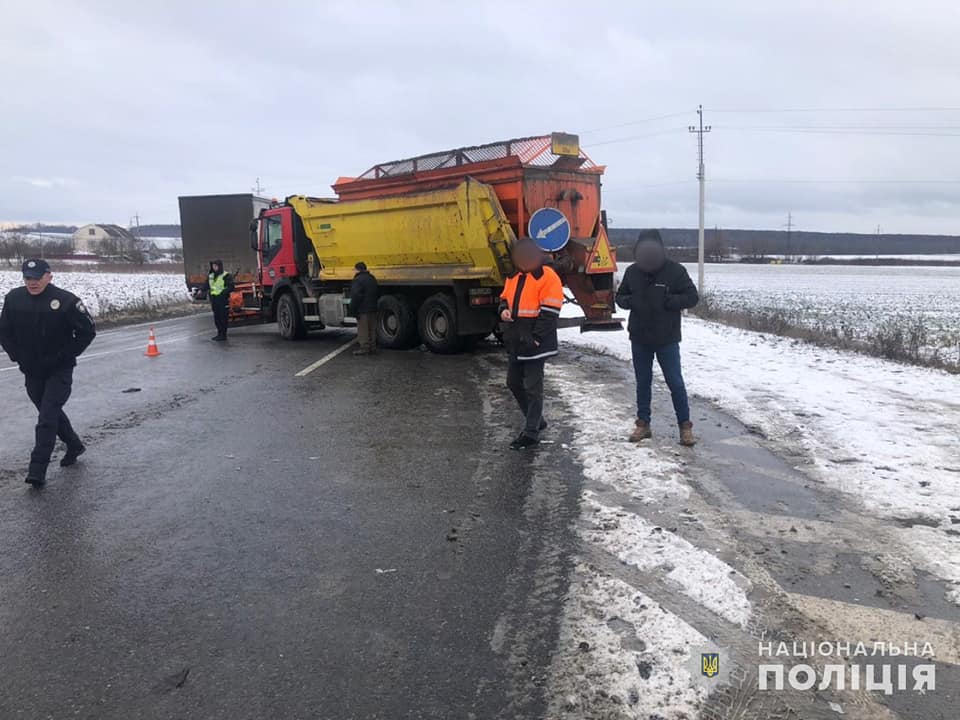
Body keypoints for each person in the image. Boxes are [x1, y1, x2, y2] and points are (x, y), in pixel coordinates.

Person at [0, 259, 96, 487]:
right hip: (31, 370)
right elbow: (4, 332)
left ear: (49, 276)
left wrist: (64, 356)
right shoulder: (14, 299)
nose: (32, 282)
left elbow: (86, 332)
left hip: (59, 370)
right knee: (49, 413)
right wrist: (17, 356)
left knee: (46, 418)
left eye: (37, 277)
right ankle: (74, 445)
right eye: (28, 278)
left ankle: (37, 470)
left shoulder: (66, 301)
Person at [616, 229, 699, 446]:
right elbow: (620, 296)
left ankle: (685, 427)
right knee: (643, 382)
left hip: (667, 338)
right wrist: (631, 301)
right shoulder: (633, 272)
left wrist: (669, 301)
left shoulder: (675, 271)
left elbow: (692, 297)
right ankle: (643, 425)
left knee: (675, 382)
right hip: (640, 337)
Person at [499, 238, 563, 450]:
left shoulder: (547, 276)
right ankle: (536, 420)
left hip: (536, 343)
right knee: (513, 382)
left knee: (533, 387)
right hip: (516, 340)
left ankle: (531, 433)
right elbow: (504, 299)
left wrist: (535, 337)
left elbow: (550, 312)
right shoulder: (513, 276)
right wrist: (503, 310)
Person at [349, 261, 379, 355]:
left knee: (363, 330)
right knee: (372, 329)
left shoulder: (358, 280)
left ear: (357, 269)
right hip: (373, 307)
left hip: (363, 309)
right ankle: (373, 347)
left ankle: (364, 348)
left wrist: (353, 309)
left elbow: (356, 296)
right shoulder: (372, 278)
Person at [206, 259, 234, 341]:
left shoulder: (226, 275)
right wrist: (200, 289)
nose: (214, 267)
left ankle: (223, 335)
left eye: (215, 266)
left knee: (223, 318)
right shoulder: (211, 275)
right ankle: (219, 334)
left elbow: (231, 287)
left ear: (219, 266)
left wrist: (223, 293)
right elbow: (207, 285)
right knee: (217, 318)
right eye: (213, 266)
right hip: (214, 300)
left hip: (223, 300)